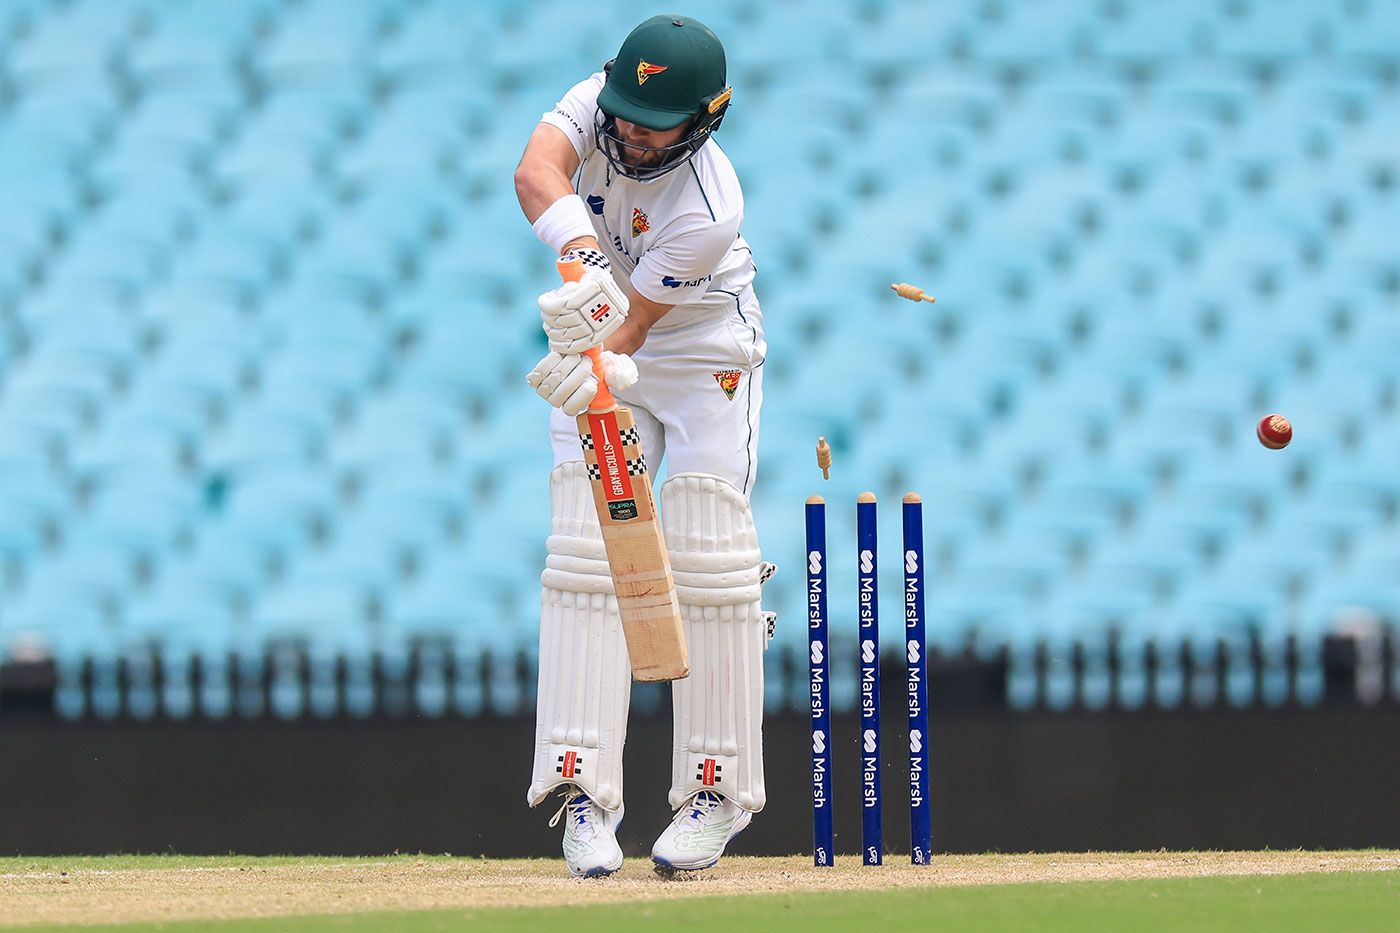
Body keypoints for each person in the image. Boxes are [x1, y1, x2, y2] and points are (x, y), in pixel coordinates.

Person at [514, 14, 771, 877]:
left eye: (653, 119)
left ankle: (717, 789)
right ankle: (584, 795)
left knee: (707, 552)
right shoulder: (597, 104)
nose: (627, 129)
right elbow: (534, 171)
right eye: (622, 109)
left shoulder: (711, 207)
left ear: (705, 117)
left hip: (700, 354)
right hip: (603, 324)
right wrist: (582, 261)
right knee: (586, 551)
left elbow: (631, 328)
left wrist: (589, 355)